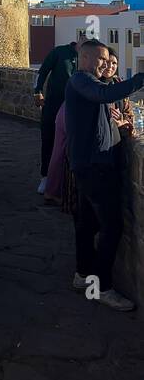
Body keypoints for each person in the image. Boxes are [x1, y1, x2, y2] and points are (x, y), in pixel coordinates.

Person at [62, 39, 144, 312]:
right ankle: (101, 287)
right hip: (93, 167)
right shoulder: (80, 81)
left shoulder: (92, 84)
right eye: (100, 59)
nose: (104, 65)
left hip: (92, 165)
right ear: (84, 59)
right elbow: (103, 95)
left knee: (87, 225)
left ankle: (83, 275)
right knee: (112, 226)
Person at [34, 40, 78, 194]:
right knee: (48, 140)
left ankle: (64, 181)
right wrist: (37, 90)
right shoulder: (59, 52)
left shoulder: (88, 58)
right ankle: (45, 177)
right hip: (53, 105)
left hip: (74, 108)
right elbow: (42, 71)